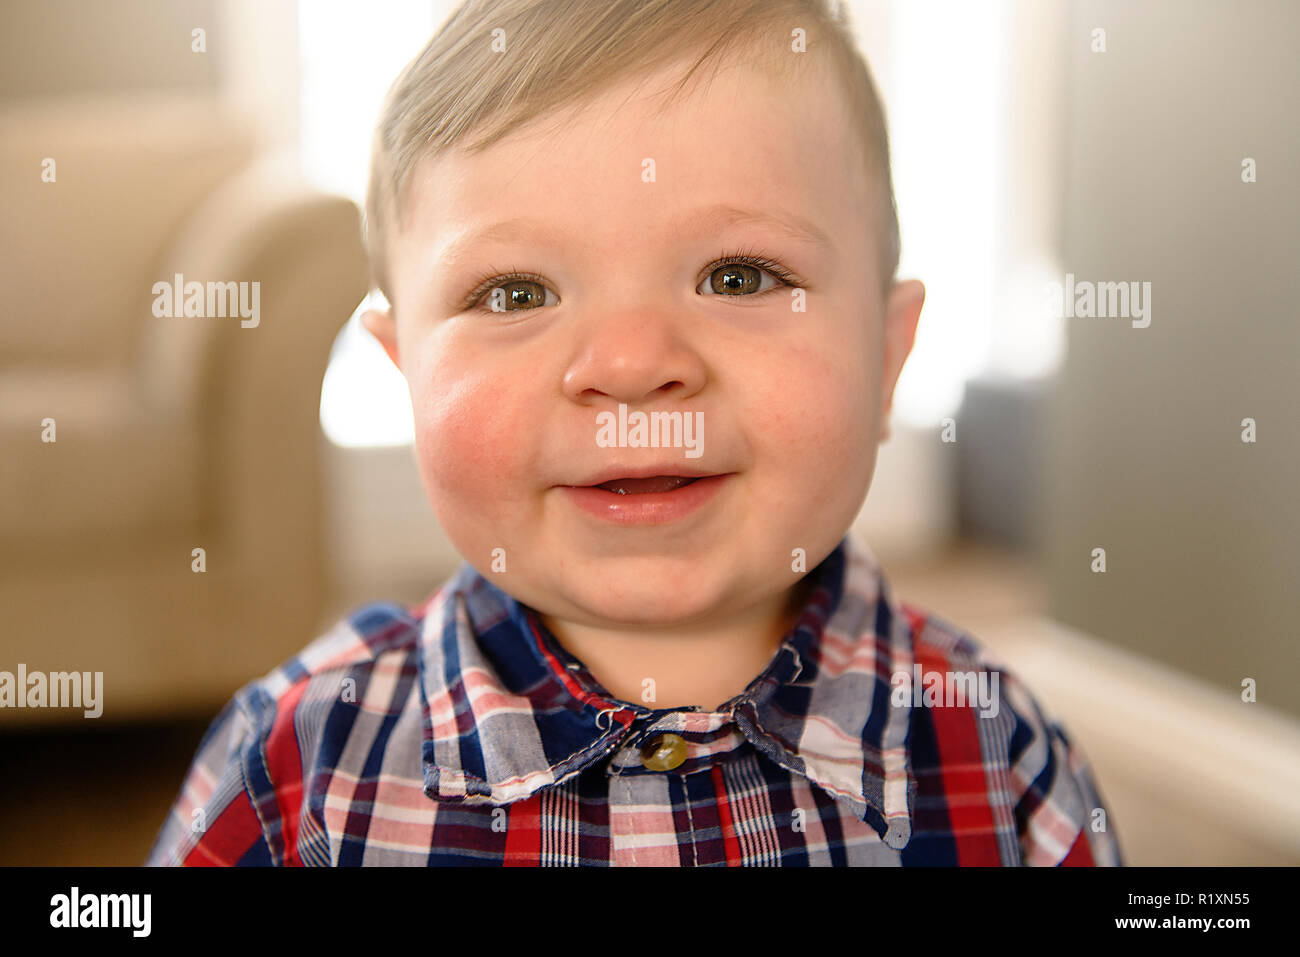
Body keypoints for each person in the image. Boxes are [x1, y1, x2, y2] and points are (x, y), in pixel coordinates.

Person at [148, 0, 1121, 866]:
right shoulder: (298, 766)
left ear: (884, 358)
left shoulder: (1000, 755)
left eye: (737, 276)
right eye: (515, 292)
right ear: (407, 378)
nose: (628, 362)